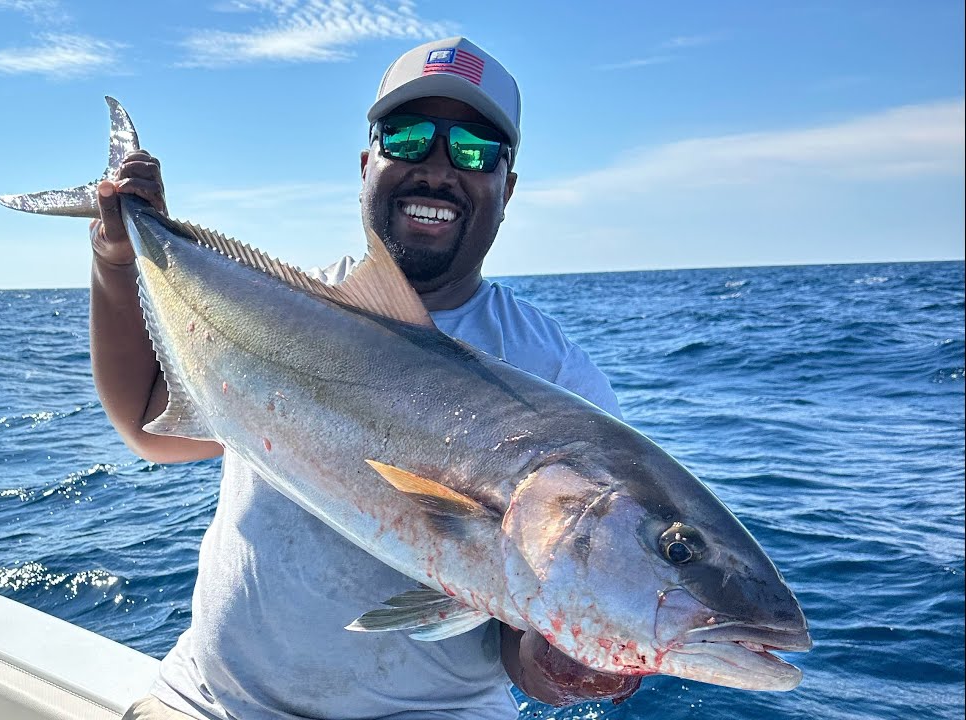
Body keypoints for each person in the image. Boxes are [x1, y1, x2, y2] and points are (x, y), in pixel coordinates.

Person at [89, 36, 641, 720]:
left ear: (509, 186)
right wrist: (118, 255)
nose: (437, 169)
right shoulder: (274, 309)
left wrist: (550, 662)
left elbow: (513, 638)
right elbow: (152, 426)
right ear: (365, 163)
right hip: (212, 700)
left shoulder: (555, 376)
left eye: (473, 149)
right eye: (407, 137)